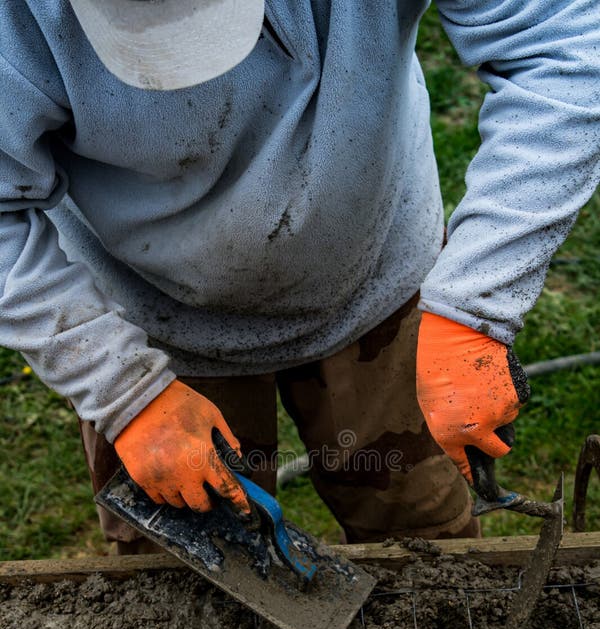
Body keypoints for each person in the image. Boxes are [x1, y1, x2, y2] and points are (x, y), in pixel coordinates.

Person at [0, 1, 598, 552]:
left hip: (374, 276)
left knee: (426, 540)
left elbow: (566, 46)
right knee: (186, 586)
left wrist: (477, 306)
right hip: (146, 318)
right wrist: (123, 394)